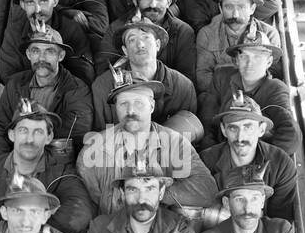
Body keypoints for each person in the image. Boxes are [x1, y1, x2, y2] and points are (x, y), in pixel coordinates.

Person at [76, 76, 218, 217]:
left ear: (152, 106)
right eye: (123, 104)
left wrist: (155, 192)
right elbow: (87, 205)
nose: (130, 111)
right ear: (116, 108)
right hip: (111, 232)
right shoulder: (94, 150)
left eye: (138, 103)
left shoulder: (175, 143)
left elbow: (206, 189)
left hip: (160, 232)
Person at [0, 99, 95, 233]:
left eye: (38, 132)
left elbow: (80, 212)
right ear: (11, 135)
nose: (30, 139)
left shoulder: (61, 169)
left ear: (49, 137)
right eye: (23, 130)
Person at [0, 28, 93, 162]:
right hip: (17, 160)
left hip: (56, 164)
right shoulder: (15, 84)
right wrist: (1, 161)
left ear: (60, 56)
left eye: (49, 51)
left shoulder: (77, 89)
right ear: (28, 54)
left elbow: (78, 132)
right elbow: (0, 126)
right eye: (35, 51)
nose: (41, 58)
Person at [91, 19, 200, 141]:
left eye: (146, 37)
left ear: (158, 45)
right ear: (125, 50)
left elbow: (189, 137)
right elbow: (101, 138)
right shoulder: (104, 86)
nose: (140, 45)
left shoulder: (183, 87)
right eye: (132, 40)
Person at [200, 93, 297, 224]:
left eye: (248, 127)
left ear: (261, 129)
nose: (240, 138)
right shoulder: (206, 161)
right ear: (223, 130)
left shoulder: (281, 166)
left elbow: (279, 221)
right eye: (233, 128)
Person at [200, 21, 296, 150]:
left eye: (257, 57)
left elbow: (290, 134)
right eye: (245, 57)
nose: (250, 63)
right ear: (237, 60)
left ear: (269, 62)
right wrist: (215, 157)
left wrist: (260, 161)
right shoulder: (222, 77)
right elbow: (207, 121)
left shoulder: (276, 90)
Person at [95, 0, 196, 82]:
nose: (152, 3)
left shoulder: (183, 31)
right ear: (135, 0)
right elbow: (103, 70)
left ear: (168, 2)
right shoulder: (117, 28)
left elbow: (186, 80)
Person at [0, 0, 94, 84]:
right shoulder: (14, 32)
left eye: (43, 1)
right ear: (22, 5)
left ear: (55, 1)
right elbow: (8, 75)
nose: (37, 9)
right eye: (30, 2)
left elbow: (85, 75)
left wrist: (56, 47)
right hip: (26, 96)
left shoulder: (72, 29)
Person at [194, 0, 281, 96]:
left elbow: (271, 76)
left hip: (257, 97)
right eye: (229, 7)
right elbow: (203, 78)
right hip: (220, 96)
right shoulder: (207, 34)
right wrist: (232, 96)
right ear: (220, 9)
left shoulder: (269, 35)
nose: (235, 14)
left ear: (252, 8)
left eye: (241, 7)